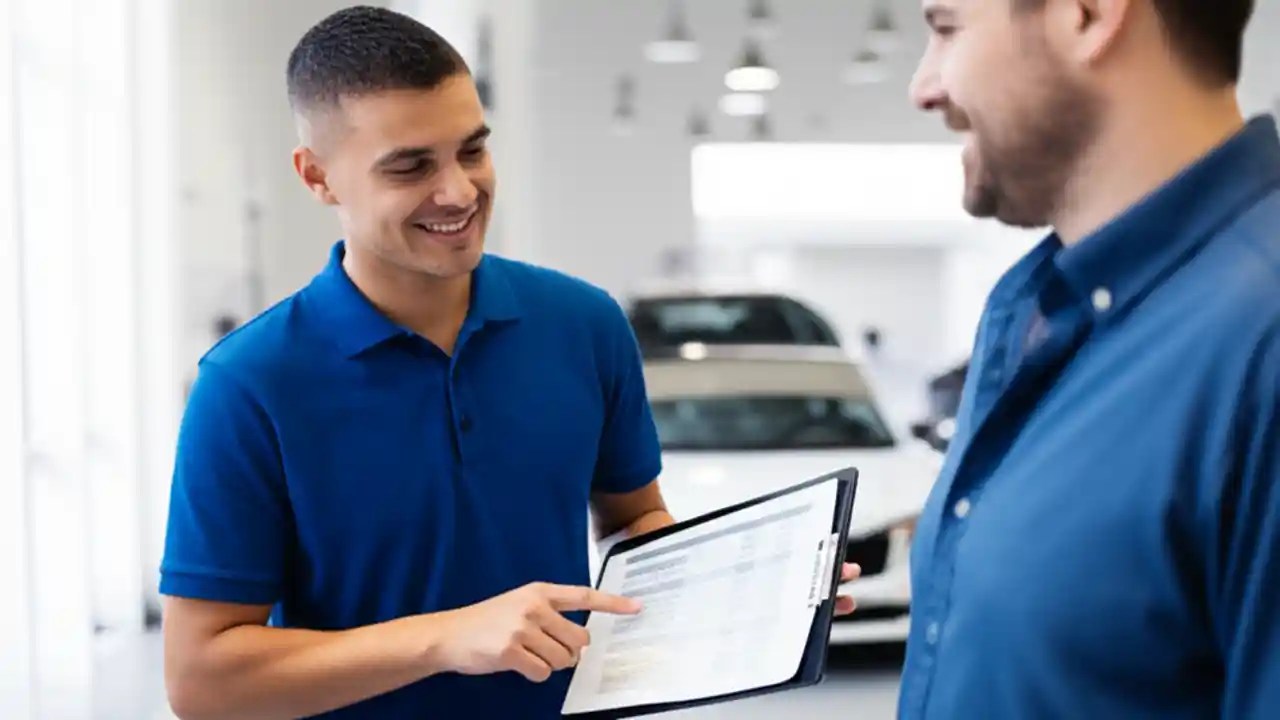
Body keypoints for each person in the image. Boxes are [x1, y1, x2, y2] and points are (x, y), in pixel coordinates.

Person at [158, 7, 857, 720]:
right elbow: (202, 680)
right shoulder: (249, 385)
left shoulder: (584, 325)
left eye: (472, 151)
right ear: (318, 177)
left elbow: (634, 518)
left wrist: (751, 590)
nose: (459, 192)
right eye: (411, 166)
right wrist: (445, 638)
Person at [903, 0, 1277, 717]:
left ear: (1089, 14)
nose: (925, 87)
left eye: (947, 29)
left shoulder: (1260, 343)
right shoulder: (1033, 308)